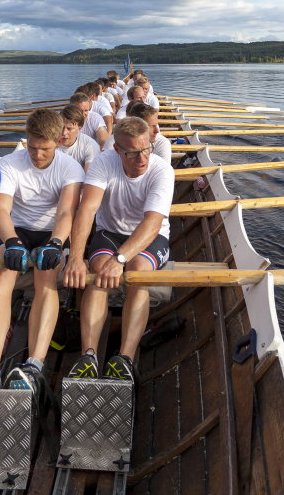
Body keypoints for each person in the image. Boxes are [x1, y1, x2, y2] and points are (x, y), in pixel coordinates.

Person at [0, 109, 82, 400]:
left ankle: (34, 364)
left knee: (46, 279)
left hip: (50, 233)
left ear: (58, 141)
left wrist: (56, 243)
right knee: (2, 275)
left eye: (44, 149)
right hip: (16, 231)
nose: (36, 154)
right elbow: (1, 210)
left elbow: (67, 211)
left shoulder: (70, 168)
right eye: (31, 147)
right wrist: (12, 242)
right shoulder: (9, 163)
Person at [62, 118, 174, 383]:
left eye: (146, 149)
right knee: (98, 269)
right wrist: (76, 258)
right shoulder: (103, 162)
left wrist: (121, 259)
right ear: (117, 150)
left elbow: (152, 223)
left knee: (137, 272)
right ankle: (88, 356)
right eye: (133, 152)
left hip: (151, 236)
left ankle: (125, 358)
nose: (142, 157)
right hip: (110, 233)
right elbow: (87, 209)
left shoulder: (162, 170)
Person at [102, 101, 173, 163]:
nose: (157, 131)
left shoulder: (162, 143)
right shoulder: (112, 142)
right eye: (151, 126)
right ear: (135, 126)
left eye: (156, 125)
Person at [58, 105, 99, 171]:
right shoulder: (50, 144)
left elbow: (89, 177)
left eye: (69, 128)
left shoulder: (90, 145)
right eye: (61, 127)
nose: (64, 133)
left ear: (80, 128)